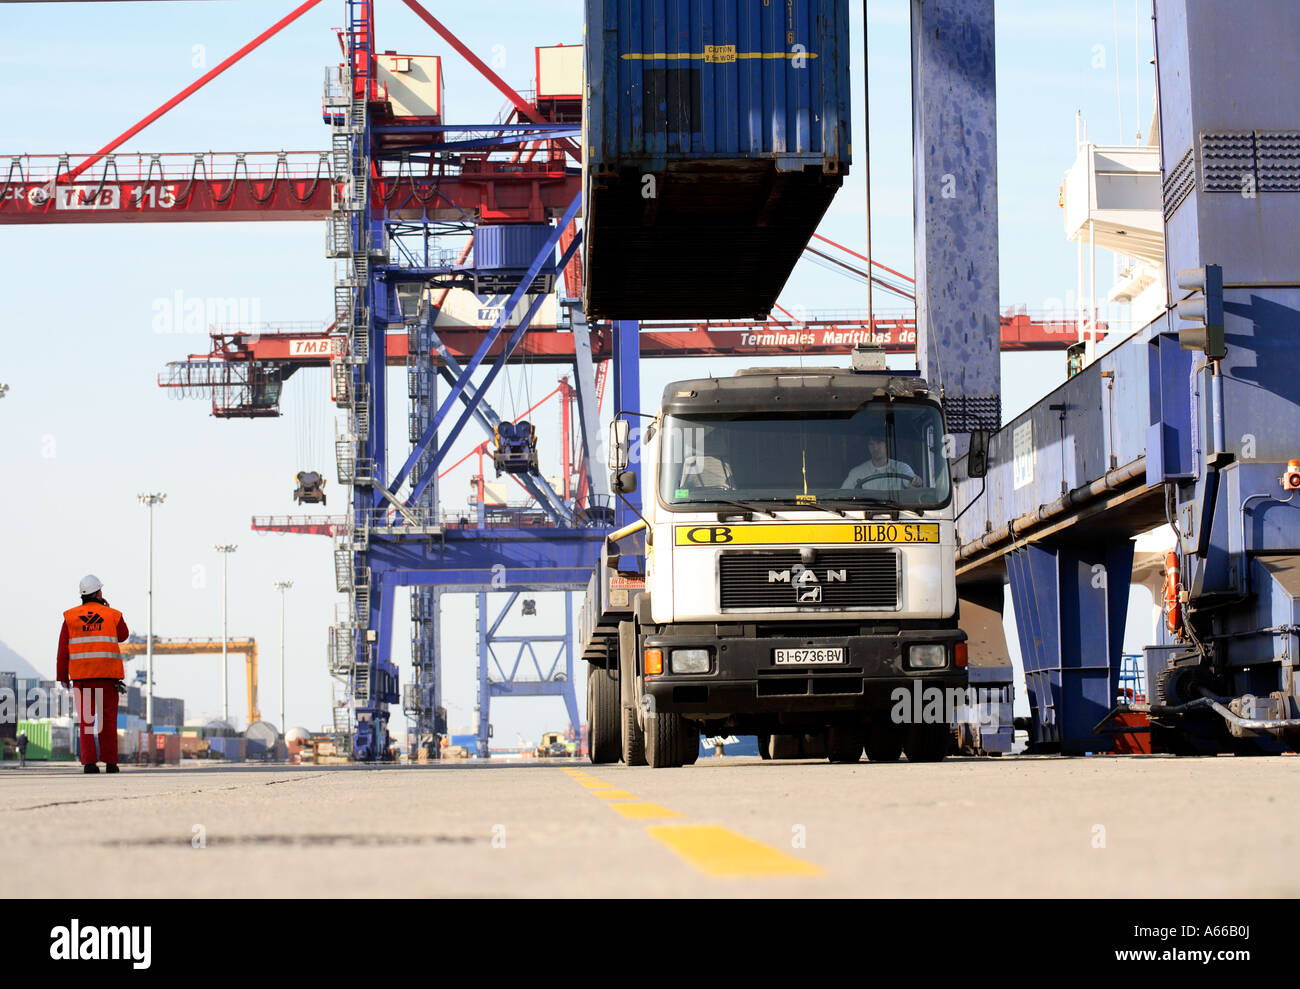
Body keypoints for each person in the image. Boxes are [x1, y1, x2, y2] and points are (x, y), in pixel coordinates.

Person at [56, 575, 130, 775]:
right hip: (107, 676)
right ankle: (111, 763)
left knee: (86, 721)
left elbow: (63, 650)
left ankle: (89, 763)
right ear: (98, 593)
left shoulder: (70, 617)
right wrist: (106, 609)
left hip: (82, 677)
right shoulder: (112, 614)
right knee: (108, 720)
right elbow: (123, 635)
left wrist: (62, 676)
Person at [841, 432, 924, 491]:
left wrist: (916, 482)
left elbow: (913, 486)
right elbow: (843, 495)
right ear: (867, 447)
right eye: (871, 444)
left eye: (879, 443)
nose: (875, 448)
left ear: (887, 444)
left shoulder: (902, 468)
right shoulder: (857, 472)